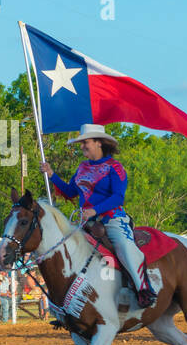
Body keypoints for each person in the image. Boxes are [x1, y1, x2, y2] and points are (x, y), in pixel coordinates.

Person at [41, 124, 157, 307]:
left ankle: (143, 290)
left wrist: (95, 210)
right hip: (85, 222)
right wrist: (52, 174)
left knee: (124, 247)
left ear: (98, 143)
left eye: (85, 142)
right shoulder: (82, 167)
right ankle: (68, 304)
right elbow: (71, 192)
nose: (82, 146)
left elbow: (118, 197)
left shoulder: (115, 167)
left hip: (111, 219)